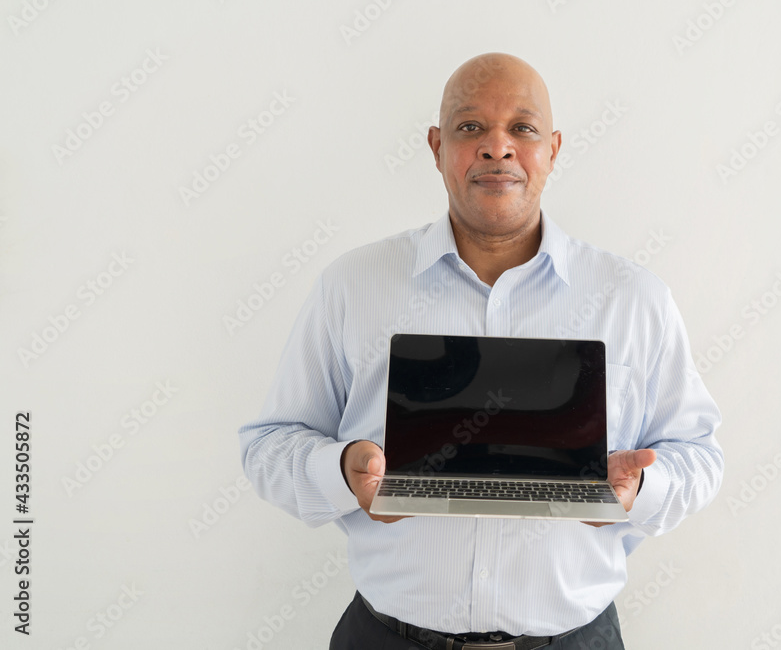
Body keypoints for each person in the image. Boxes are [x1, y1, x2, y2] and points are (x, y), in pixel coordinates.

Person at [239, 52, 724, 649]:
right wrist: (344, 472)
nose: (498, 147)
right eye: (471, 128)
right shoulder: (353, 285)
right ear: (437, 146)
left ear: (553, 148)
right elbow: (269, 444)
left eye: (522, 128)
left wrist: (639, 491)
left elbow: (700, 456)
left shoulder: (633, 298)